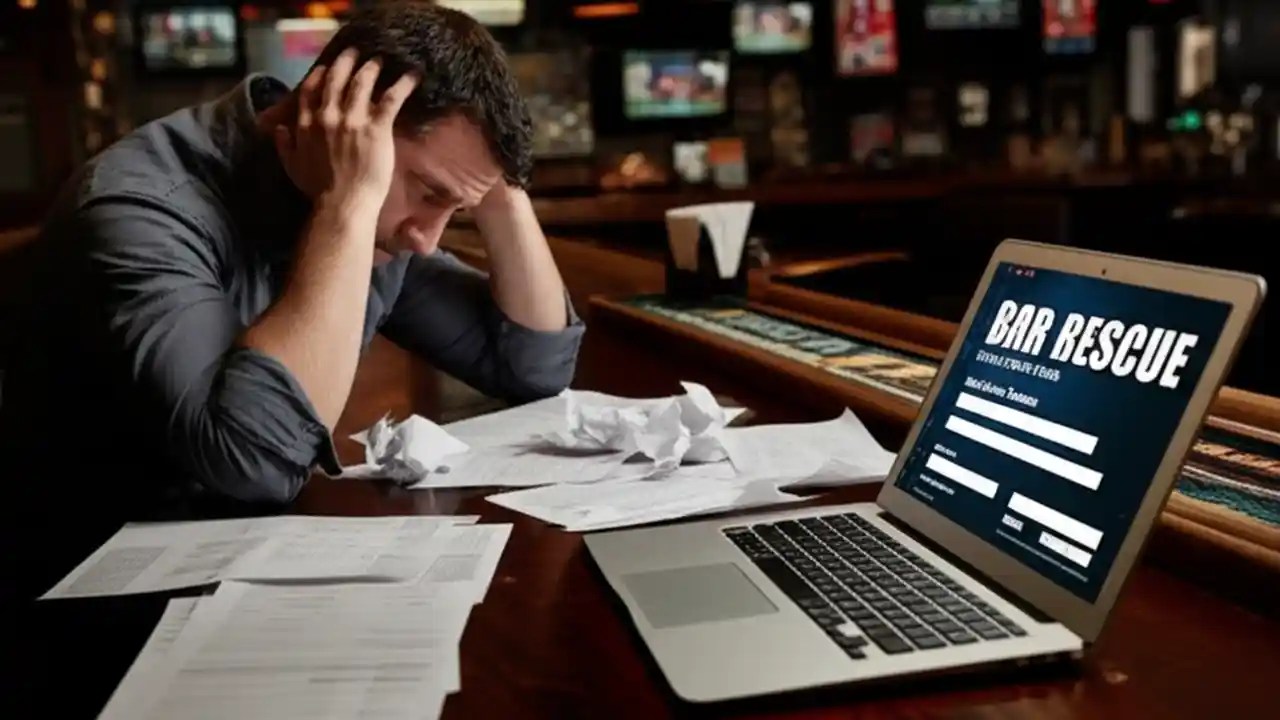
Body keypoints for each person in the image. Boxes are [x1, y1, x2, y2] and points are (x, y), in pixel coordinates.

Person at [0, 2, 584, 599]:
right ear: (336, 121)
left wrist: (498, 191)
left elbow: (533, 364)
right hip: (75, 595)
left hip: (234, 566)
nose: (426, 239)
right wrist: (350, 203)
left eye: (453, 208)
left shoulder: (381, 224)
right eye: (429, 192)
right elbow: (254, 462)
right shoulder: (142, 208)